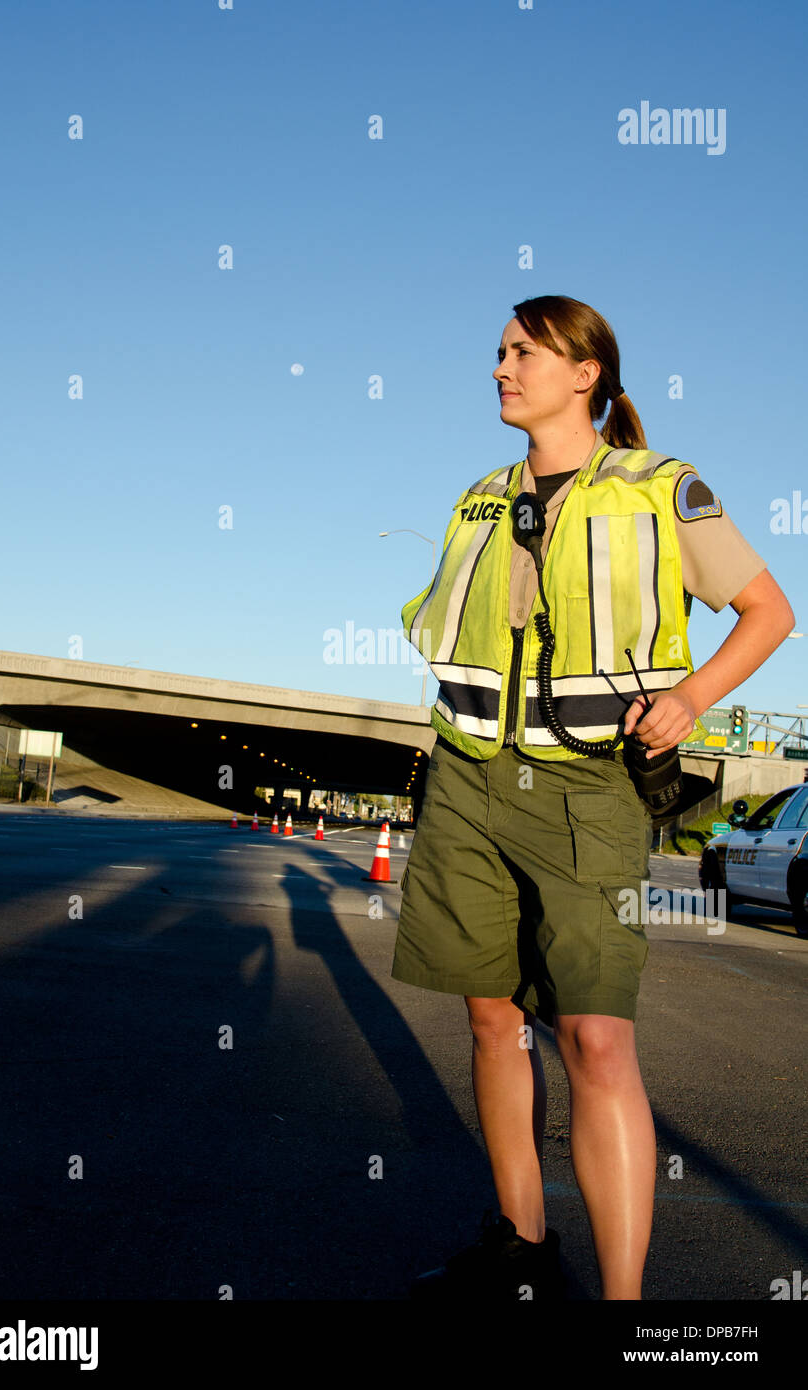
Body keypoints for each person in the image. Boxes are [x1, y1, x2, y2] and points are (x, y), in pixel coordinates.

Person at [391, 294, 795, 1302]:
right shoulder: (480, 494)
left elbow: (768, 609)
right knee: (491, 1020)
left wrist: (693, 696)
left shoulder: (662, 485)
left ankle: (625, 1308)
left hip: (587, 790)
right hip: (468, 779)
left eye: (522, 352)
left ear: (587, 374)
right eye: (497, 353)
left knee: (594, 1032)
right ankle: (522, 1253)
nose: (499, 368)